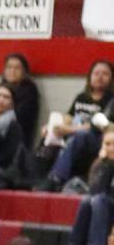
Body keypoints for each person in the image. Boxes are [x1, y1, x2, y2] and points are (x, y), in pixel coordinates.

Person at [41, 58, 114, 189]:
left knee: (81, 135)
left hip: (98, 139)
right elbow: (68, 117)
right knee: (48, 135)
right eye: (96, 73)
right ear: (90, 76)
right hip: (75, 134)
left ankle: (56, 178)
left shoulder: (111, 100)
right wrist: (51, 127)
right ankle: (37, 178)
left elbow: (98, 125)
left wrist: (70, 129)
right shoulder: (82, 97)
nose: (100, 77)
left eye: (105, 74)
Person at [61, 127, 114, 245]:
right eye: (107, 144)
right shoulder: (101, 163)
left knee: (98, 200)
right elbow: (96, 190)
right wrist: (107, 164)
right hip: (105, 205)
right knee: (87, 201)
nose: (111, 148)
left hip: (107, 205)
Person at [0, 53, 40, 143]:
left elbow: (19, 119)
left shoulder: (29, 91)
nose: (12, 71)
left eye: (17, 68)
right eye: (9, 67)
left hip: (13, 141)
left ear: (24, 72)